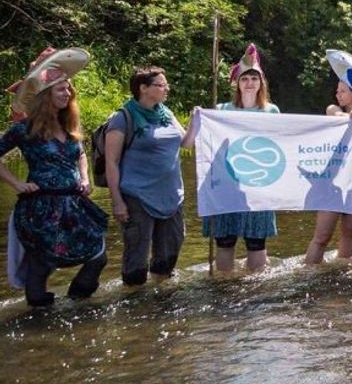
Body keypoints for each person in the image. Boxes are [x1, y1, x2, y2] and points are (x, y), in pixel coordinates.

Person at [0, 48, 108, 306]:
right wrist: (17, 183)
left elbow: (81, 154)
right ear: (45, 95)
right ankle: (37, 318)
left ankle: (77, 303)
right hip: (41, 207)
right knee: (43, 263)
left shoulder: (69, 126)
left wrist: (85, 179)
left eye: (69, 89)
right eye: (61, 89)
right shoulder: (24, 129)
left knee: (98, 255)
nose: (68, 93)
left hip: (73, 203)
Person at [105, 66, 196, 285]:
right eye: (161, 85)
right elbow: (111, 162)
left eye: (166, 84)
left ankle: (160, 300)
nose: (167, 89)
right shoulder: (123, 117)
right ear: (143, 88)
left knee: (168, 258)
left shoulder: (167, 113)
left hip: (171, 196)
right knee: (136, 260)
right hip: (137, 197)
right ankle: (134, 304)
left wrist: (196, 119)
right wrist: (117, 202)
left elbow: (186, 143)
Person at [202, 43, 279, 273]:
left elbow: (280, 144)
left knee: (256, 243)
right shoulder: (221, 109)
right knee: (224, 241)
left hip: (258, 184)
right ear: (238, 83)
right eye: (245, 79)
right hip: (226, 186)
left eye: (254, 79)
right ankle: (225, 289)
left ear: (261, 83)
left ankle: (253, 293)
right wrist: (201, 118)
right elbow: (207, 142)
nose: (250, 83)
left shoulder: (271, 112)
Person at [305, 51, 352, 264]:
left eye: (343, 91)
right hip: (332, 182)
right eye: (337, 90)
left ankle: (344, 270)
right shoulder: (333, 110)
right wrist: (351, 115)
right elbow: (337, 115)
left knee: (348, 234)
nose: (338, 94)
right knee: (321, 237)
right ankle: (308, 274)